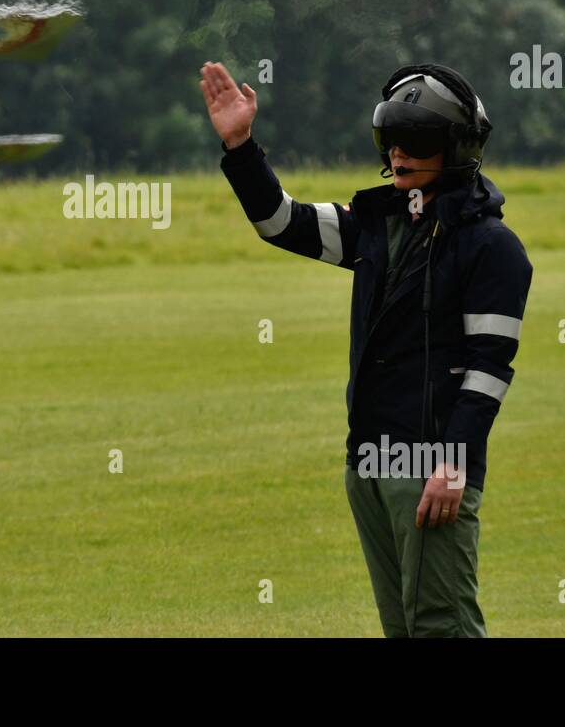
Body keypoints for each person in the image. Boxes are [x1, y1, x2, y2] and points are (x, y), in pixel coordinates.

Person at [200, 60, 532, 637]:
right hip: (369, 464)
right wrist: (241, 146)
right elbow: (281, 222)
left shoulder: (492, 247)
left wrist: (452, 462)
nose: (399, 154)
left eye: (417, 140)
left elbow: (488, 370)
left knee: (441, 627)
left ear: (454, 147)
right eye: (392, 139)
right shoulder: (379, 224)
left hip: (431, 468)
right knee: (405, 630)